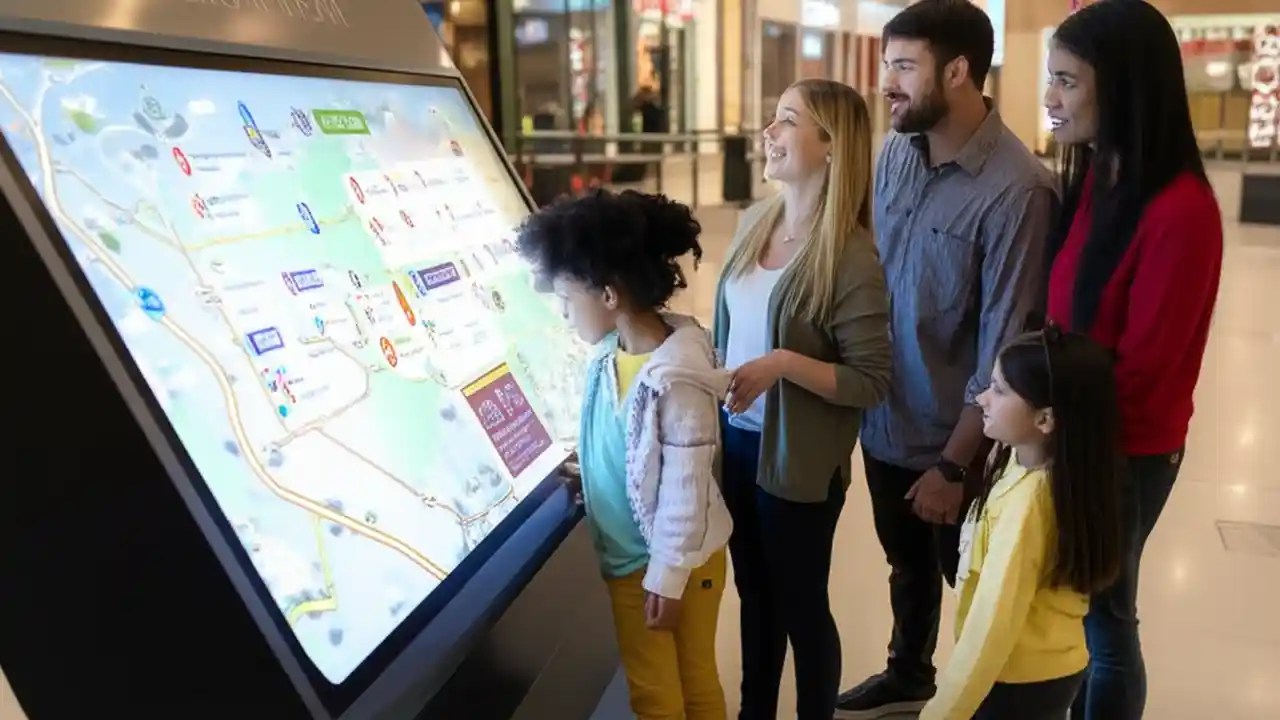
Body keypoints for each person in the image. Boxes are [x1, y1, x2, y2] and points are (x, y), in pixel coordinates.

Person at [836, 2, 1057, 717]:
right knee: (906, 564)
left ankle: (979, 694)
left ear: (957, 71)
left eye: (903, 65)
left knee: (972, 576)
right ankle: (910, 672)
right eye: (887, 64)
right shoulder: (900, 148)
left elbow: (1005, 342)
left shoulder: (1017, 188)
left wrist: (955, 465)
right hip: (885, 417)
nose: (887, 83)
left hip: (957, 437)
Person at [1043, 3, 1224, 718]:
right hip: (1067, 434)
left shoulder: (1181, 211)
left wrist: (1049, 425)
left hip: (1122, 447)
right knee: (1075, 613)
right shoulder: (1096, 177)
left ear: (1122, 87)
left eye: (1067, 81)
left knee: (1105, 619)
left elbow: (1146, 370)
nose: (1051, 99)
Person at [515, 189, 734, 720]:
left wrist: (666, 576)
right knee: (670, 682)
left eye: (568, 300)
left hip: (666, 563)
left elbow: (685, 487)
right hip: (637, 559)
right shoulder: (610, 358)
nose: (564, 314)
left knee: (665, 690)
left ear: (609, 295)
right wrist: (586, 470)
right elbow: (613, 437)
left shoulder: (675, 376)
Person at [714, 78, 892, 720]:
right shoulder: (755, 222)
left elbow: (871, 379)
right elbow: (730, 335)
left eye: (788, 120)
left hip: (797, 464)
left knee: (800, 607)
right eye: (775, 116)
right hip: (736, 446)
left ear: (831, 146)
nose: (769, 131)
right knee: (754, 598)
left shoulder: (849, 255)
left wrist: (785, 363)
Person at [920, 328, 1125, 720]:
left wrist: (942, 713)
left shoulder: (1030, 508)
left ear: (1045, 418)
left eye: (998, 390)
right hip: (1043, 670)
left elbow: (991, 628)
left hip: (1016, 682)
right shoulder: (1028, 459)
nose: (982, 398)